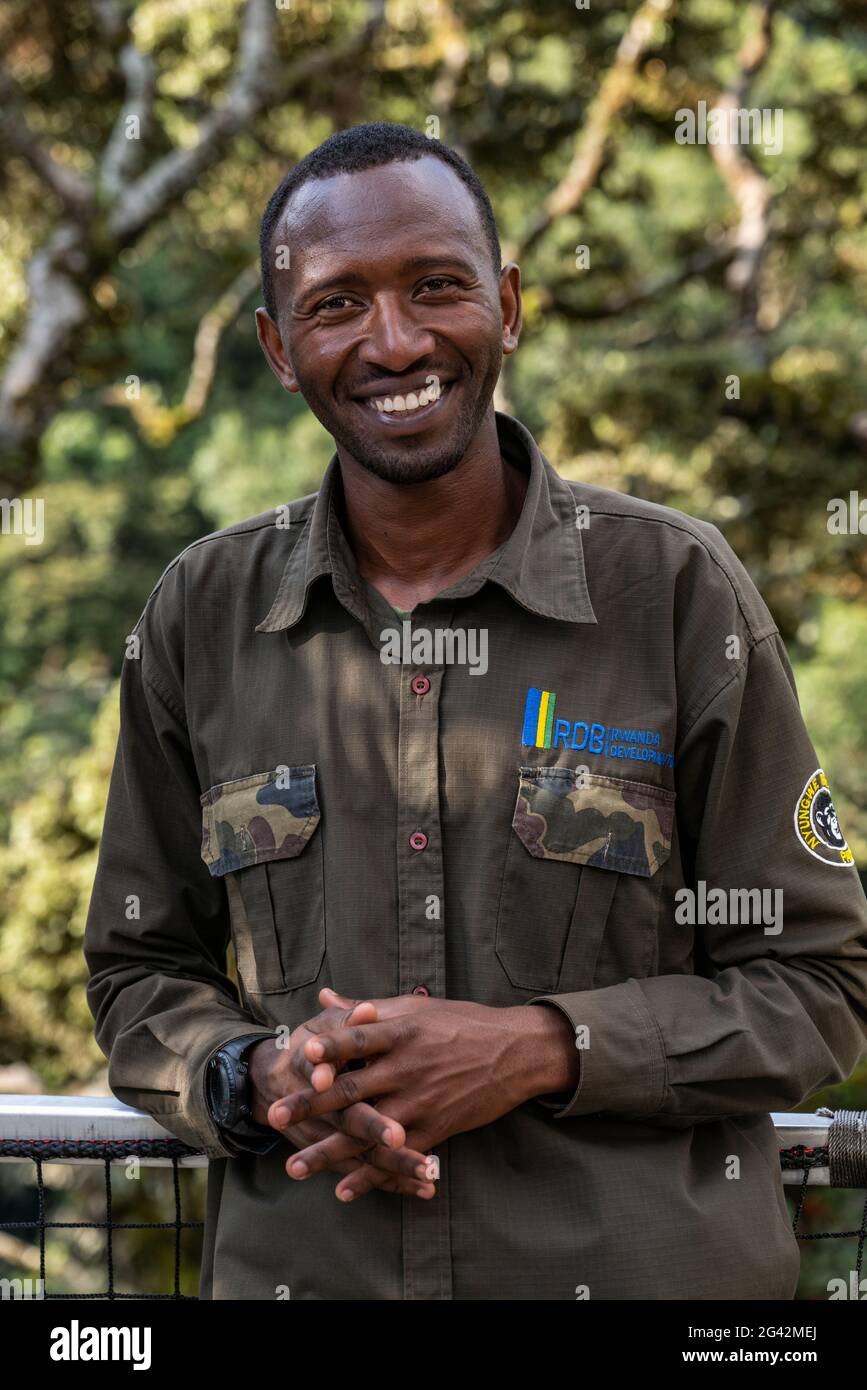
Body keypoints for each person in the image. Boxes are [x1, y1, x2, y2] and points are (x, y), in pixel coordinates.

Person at [84, 121, 867, 1301]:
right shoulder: (202, 613)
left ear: (507, 304)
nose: (394, 341)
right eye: (337, 304)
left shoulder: (674, 592)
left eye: (436, 287)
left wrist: (544, 1048)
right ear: (279, 348)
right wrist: (256, 1073)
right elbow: (139, 970)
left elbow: (820, 987)